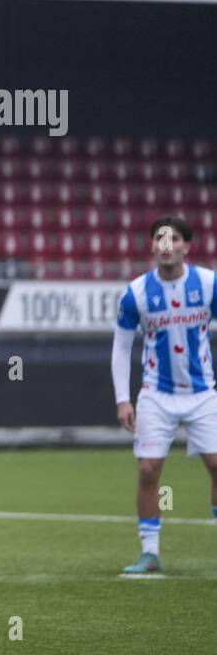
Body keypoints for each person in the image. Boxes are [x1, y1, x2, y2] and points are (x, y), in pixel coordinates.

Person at [113, 215, 217, 574]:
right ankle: (150, 553)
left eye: (174, 238)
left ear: (187, 246)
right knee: (147, 469)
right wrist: (123, 399)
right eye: (160, 237)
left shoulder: (208, 284)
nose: (166, 244)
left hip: (203, 392)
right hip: (156, 393)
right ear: (153, 246)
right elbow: (122, 348)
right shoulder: (136, 293)